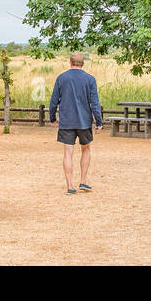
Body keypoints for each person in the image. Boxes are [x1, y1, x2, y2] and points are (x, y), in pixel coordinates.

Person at [48, 51, 103, 194]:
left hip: (66, 121)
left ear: (70, 63)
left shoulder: (61, 78)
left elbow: (53, 101)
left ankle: (70, 186)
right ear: (83, 63)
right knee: (86, 149)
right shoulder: (90, 79)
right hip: (84, 121)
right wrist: (99, 121)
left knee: (68, 153)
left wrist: (52, 118)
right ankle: (83, 181)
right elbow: (95, 103)